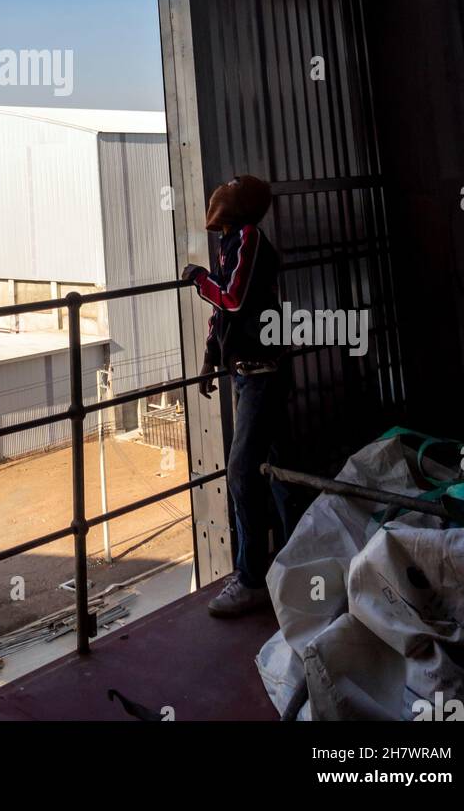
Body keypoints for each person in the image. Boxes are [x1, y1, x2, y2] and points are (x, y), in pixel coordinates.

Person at [180, 175, 292, 617]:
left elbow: (231, 298)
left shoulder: (248, 238)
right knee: (280, 471)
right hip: (249, 374)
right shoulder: (231, 242)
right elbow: (222, 314)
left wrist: (198, 278)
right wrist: (211, 358)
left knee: (243, 473)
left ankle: (251, 580)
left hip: (262, 374)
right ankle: (292, 562)